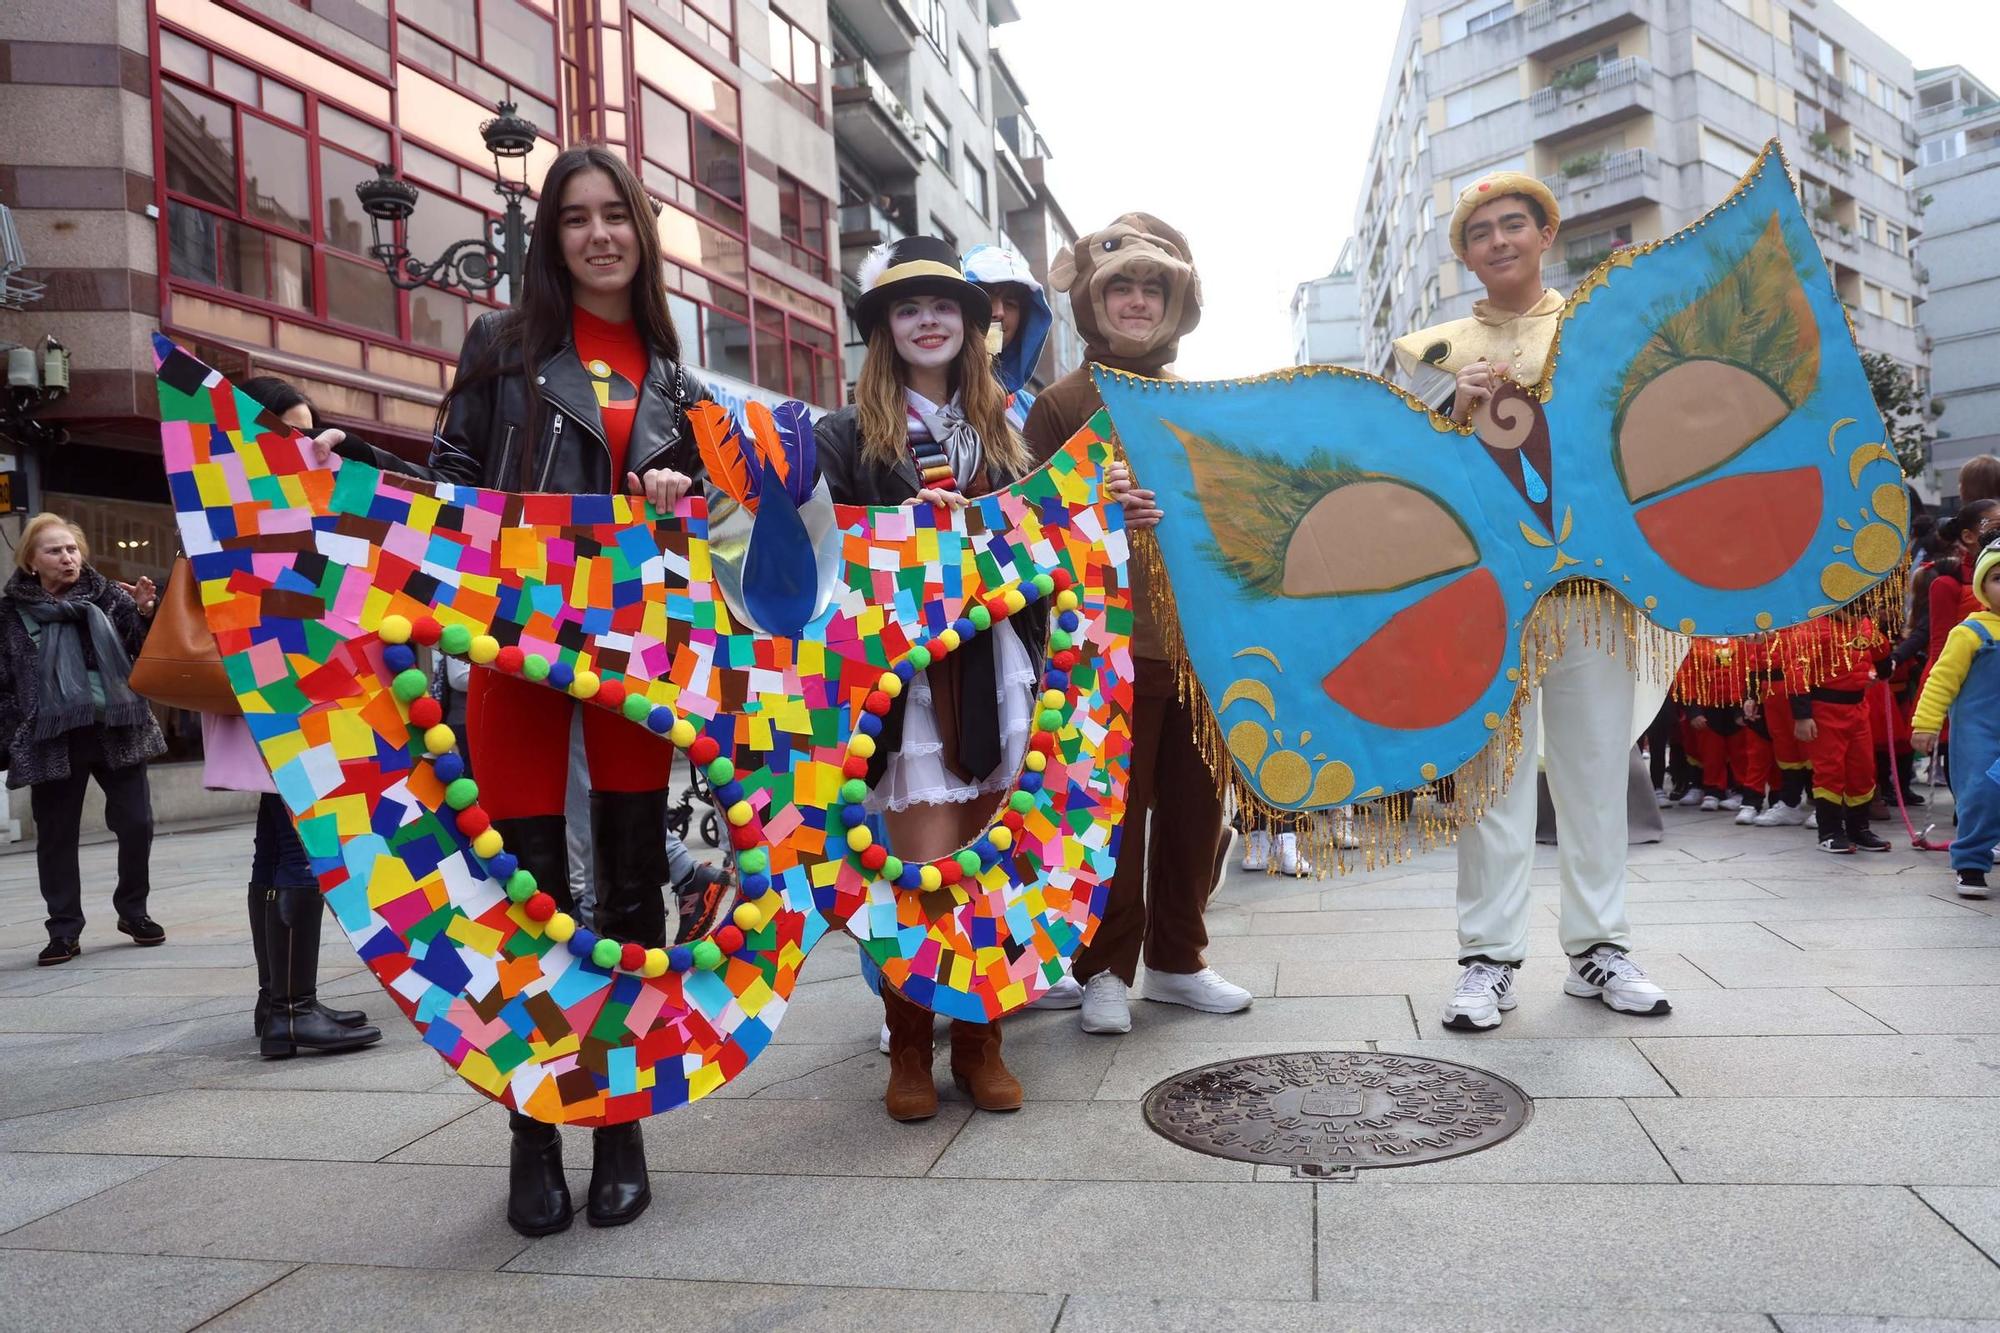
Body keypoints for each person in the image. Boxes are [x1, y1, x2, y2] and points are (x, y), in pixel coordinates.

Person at [315, 144, 704, 1236]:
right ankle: (533, 1130)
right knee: (523, 898)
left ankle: (617, 1123)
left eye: (613, 214)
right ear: (550, 238)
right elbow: (445, 483)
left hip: (632, 659)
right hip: (516, 659)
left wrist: (676, 490)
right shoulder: (500, 347)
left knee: (632, 897)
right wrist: (342, 486)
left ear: (638, 229)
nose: (596, 235)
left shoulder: (674, 371)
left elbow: (711, 514)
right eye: (574, 218)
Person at [1391, 172, 1670, 1030]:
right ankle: (1488, 959)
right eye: (1481, 232)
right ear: (1465, 254)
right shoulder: (1425, 354)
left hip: (1592, 587)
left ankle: (1600, 948)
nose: (1500, 241)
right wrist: (1450, 413)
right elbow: (1405, 480)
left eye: (1516, 224)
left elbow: (1644, 439)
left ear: (1546, 232)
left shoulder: (1601, 325)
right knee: (1493, 782)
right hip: (1486, 594)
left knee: (1594, 774)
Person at [817, 235, 1035, 1124]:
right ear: (884, 330)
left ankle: (982, 1039)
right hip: (904, 690)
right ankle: (911, 1043)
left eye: (945, 306)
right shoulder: (842, 435)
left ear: (972, 325)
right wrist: (898, 537)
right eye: (908, 308)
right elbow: (818, 561)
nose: (929, 321)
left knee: (993, 865)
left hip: (997, 671)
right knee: (922, 868)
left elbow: (1040, 551)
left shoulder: (1004, 439)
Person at [1022, 213, 1254, 1036]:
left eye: (1153, 287)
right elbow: (1028, 530)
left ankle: (1179, 960)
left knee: (1198, 811)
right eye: (1121, 285)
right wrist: (1092, 506)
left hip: (1201, 644)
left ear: (1177, 302)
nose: (1136, 301)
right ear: (1092, 299)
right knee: (1109, 816)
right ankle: (1103, 969)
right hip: (1101, 645)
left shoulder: (1202, 404)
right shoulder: (1058, 405)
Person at [216, 376, 382, 1058]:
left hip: (279, 689)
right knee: (302, 847)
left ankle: (278, 1004)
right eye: (293, 431)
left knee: (274, 845)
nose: (308, 444)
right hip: (286, 691)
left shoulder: (251, 494)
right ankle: (290, 1008)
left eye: (312, 430)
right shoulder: (258, 502)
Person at [0, 514, 164, 966]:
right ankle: (64, 930)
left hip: (117, 727)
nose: (67, 557)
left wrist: (145, 613)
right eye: (55, 550)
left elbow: (141, 650)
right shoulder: (10, 613)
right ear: (32, 561)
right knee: (56, 836)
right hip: (50, 737)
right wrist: (14, 731)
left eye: (72, 549)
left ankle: (133, 911)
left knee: (137, 824)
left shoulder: (109, 595)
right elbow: (3, 681)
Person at [1912, 542, 2000, 897]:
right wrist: (1926, 723)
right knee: (1980, 792)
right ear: (1981, 587)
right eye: (1997, 577)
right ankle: (1971, 862)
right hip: (1978, 734)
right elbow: (1941, 679)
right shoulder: (1970, 632)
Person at [1779, 611, 1894, 854]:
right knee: (1830, 771)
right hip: (1824, 710)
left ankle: (1859, 829)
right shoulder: (1811, 628)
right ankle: (1829, 831)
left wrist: (1884, 668)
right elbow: (1796, 671)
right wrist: (1802, 716)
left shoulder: (1864, 624)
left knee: (1862, 770)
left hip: (1859, 708)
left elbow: (1881, 648)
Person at [962, 243, 1054, 434]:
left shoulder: (1032, 412)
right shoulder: (924, 398)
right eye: (986, 298)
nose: (999, 312)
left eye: (1011, 304)